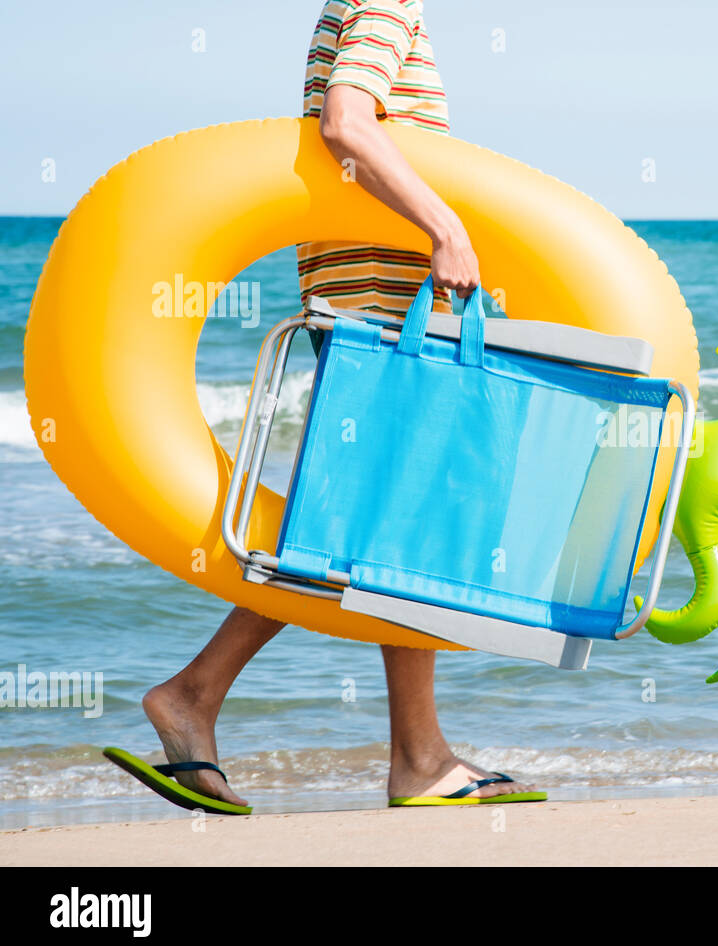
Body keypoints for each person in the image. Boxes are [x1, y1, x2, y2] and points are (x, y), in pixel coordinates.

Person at [140, 0, 539, 808]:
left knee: (390, 534)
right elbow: (346, 123)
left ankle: (416, 756)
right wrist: (446, 225)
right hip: (383, 316)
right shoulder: (384, 1)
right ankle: (195, 694)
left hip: (368, 309)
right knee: (365, 529)